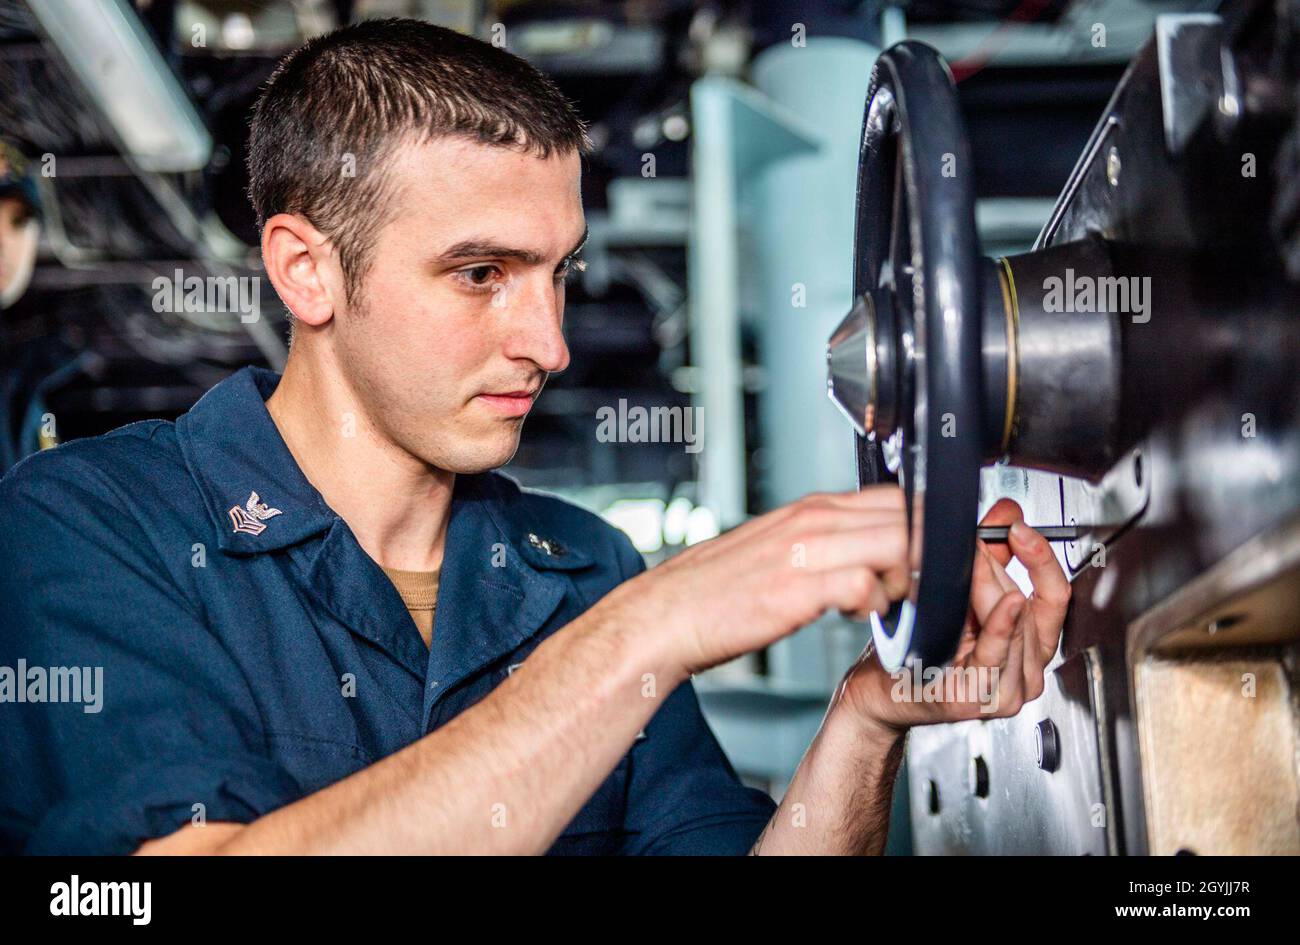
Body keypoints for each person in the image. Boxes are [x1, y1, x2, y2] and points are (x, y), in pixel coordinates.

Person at [0, 18, 1068, 855]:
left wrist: (869, 719)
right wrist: (648, 630)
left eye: (557, 273)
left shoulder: (580, 570)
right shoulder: (93, 527)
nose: (549, 345)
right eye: (480, 275)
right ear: (306, 270)